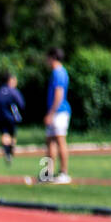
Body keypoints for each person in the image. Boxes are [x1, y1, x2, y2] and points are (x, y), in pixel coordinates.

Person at [43, 48, 71, 183]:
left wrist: (51, 113)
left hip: (59, 112)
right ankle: (48, 173)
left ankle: (64, 173)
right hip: (55, 112)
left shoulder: (59, 72)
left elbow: (59, 94)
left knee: (60, 141)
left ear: (53, 57)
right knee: (50, 141)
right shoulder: (56, 72)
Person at [0, 74, 24, 165]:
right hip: (12, 117)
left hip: (1, 117)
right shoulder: (13, 91)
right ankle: (10, 151)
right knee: (12, 135)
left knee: (4, 134)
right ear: (10, 80)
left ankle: (7, 153)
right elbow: (21, 104)